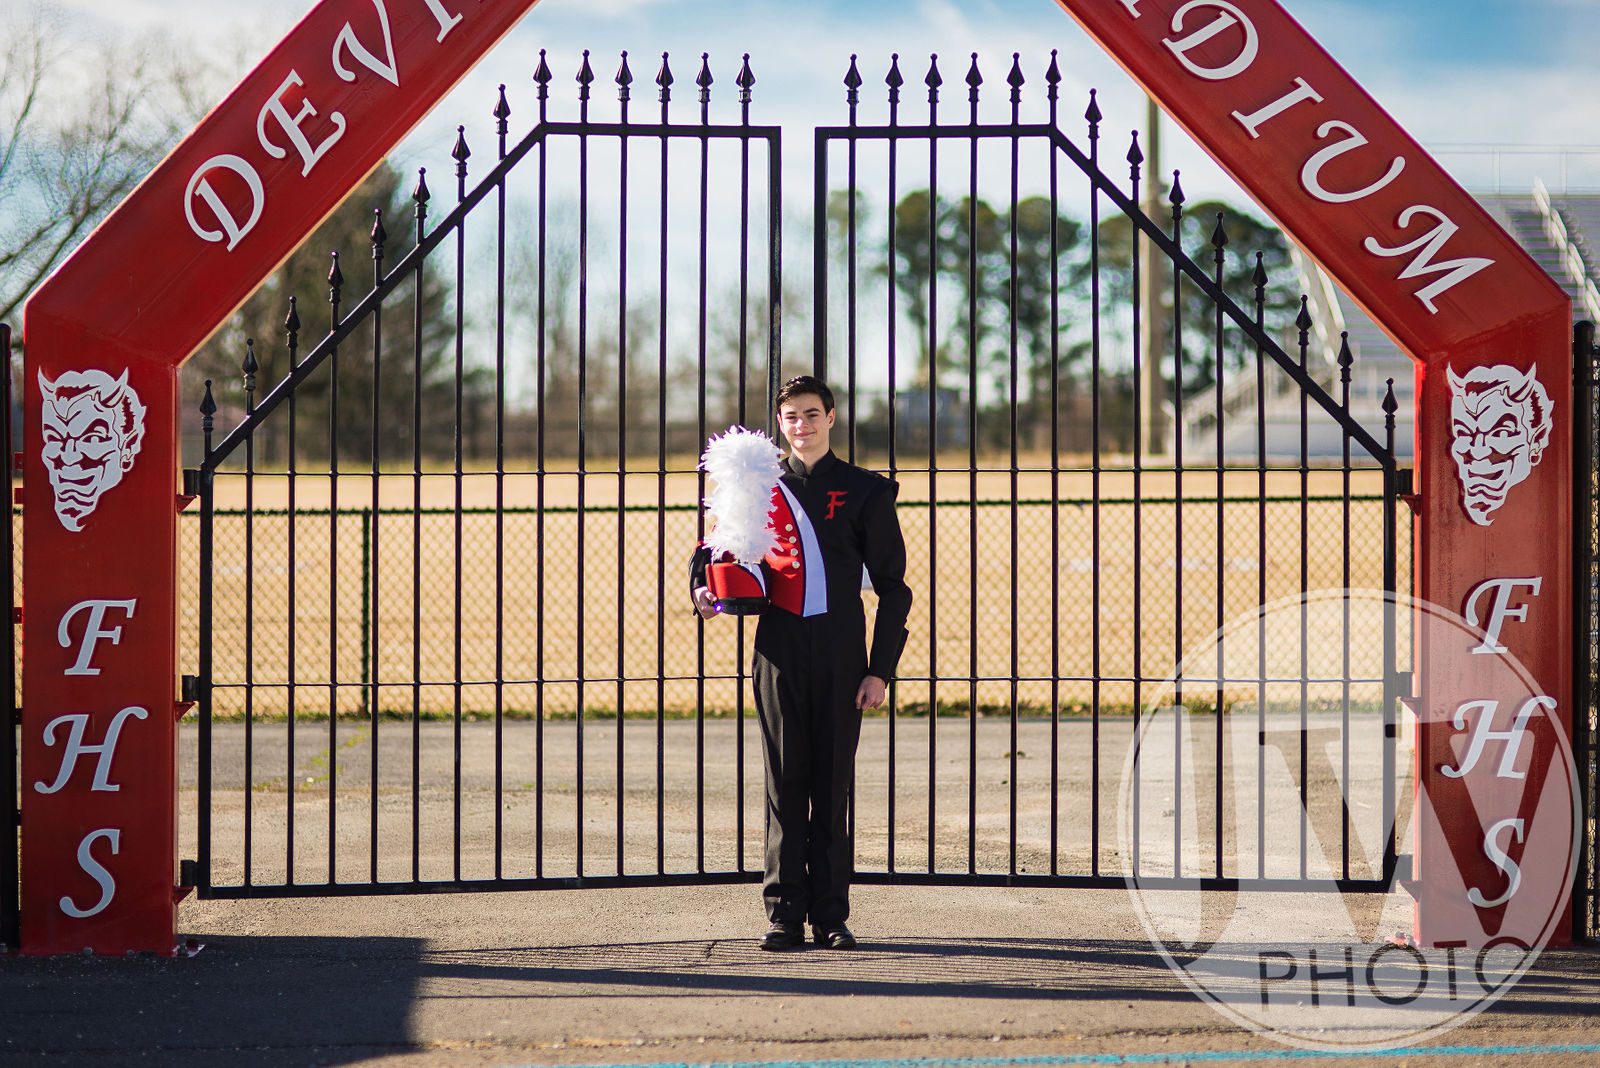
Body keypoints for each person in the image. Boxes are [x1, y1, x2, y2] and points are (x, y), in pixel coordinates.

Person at [691, 376, 912, 951]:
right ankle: (785, 913)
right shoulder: (758, 484)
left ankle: (832, 916)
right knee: (784, 784)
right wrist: (705, 592)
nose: (802, 426)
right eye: (791, 417)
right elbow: (714, 553)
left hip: (844, 654)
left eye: (812, 415)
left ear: (831, 419)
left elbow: (895, 590)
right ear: (781, 423)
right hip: (779, 653)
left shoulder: (865, 490)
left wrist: (879, 669)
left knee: (832, 785)